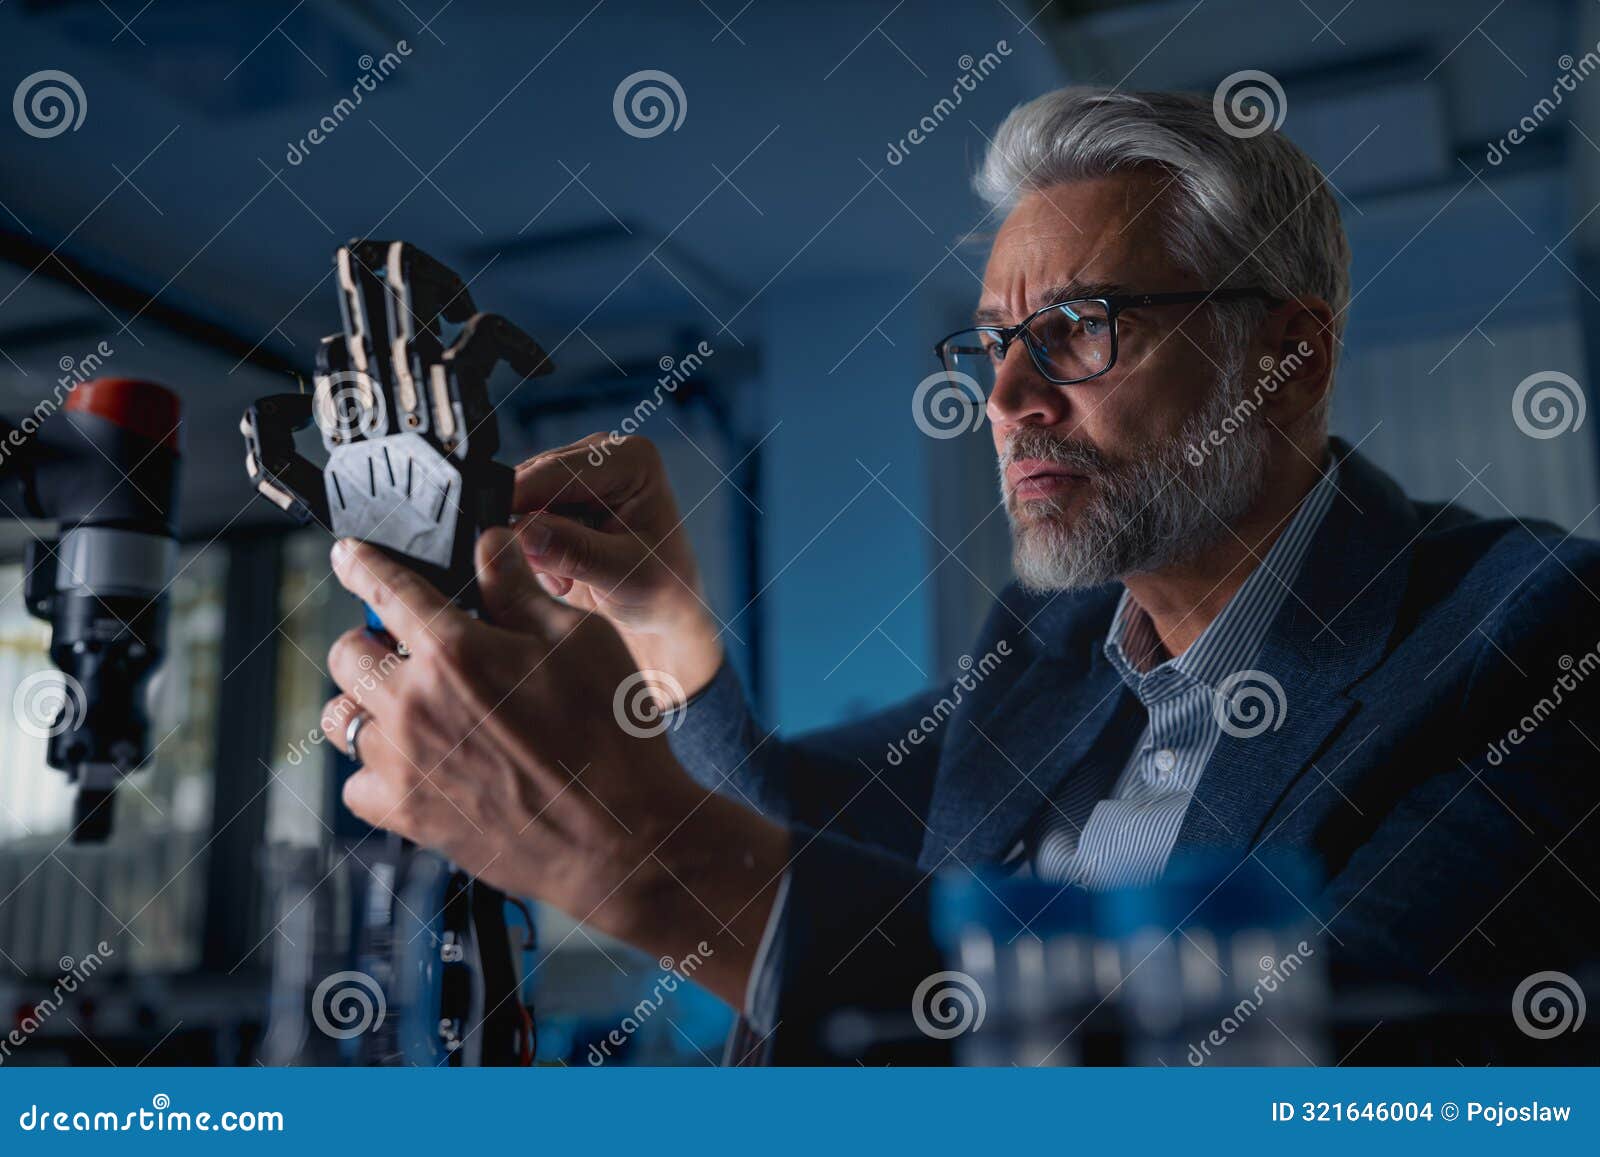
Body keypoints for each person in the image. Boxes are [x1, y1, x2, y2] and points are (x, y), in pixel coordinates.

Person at [321, 87, 1600, 1063]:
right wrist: (661, 616)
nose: (1003, 399)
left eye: (1076, 329)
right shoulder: (1048, 645)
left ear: (1289, 354)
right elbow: (796, 822)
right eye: (991, 344)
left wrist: (651, 865)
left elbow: (1343, 1067)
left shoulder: (1537, 636)